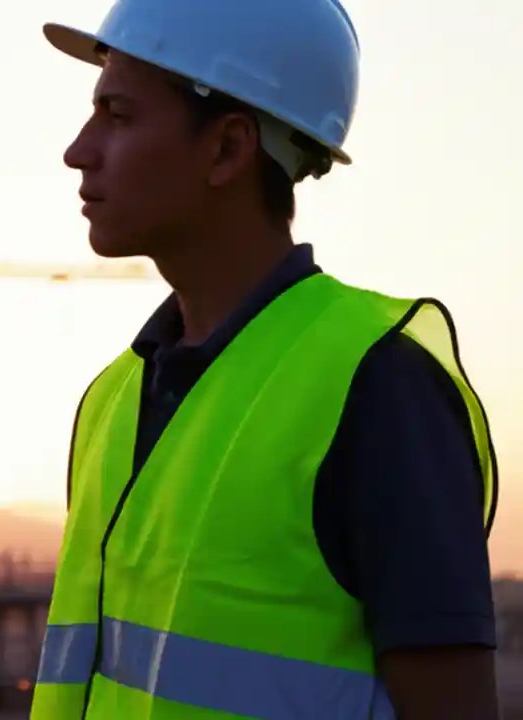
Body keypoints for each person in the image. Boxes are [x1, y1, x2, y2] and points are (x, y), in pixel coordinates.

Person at [30, 0, 502, 718]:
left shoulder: (378, 387)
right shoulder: (115, 398)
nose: (79, 150)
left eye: (118, 116)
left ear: (227, 149)